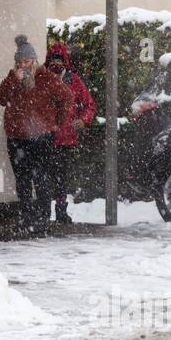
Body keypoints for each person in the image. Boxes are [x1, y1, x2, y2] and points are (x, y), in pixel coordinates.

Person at [0, 34, 73, 234]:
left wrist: (58, 123)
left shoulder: (46, 78)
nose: (23, 65)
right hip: (17, 138)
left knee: (41, 179)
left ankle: (42, 218)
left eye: (27, 61)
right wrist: (13, 79)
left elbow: (67, 96)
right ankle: (26, 217)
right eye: (19, 62)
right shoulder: (13, 78)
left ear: (35, 60)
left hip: (41, 137)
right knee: (22, 180)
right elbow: (0, 98)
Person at [45, 42, 96, 225]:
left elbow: (90, 104)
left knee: (61, 178)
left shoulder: (73, 81)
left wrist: (83, 120)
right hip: (45, 137)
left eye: (59, 62)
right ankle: (43, 213)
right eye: (53, 62)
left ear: (65, 63)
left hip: (66, 139)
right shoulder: (43, 79)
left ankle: (60, 212)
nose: (56, 66)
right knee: (43, 178)